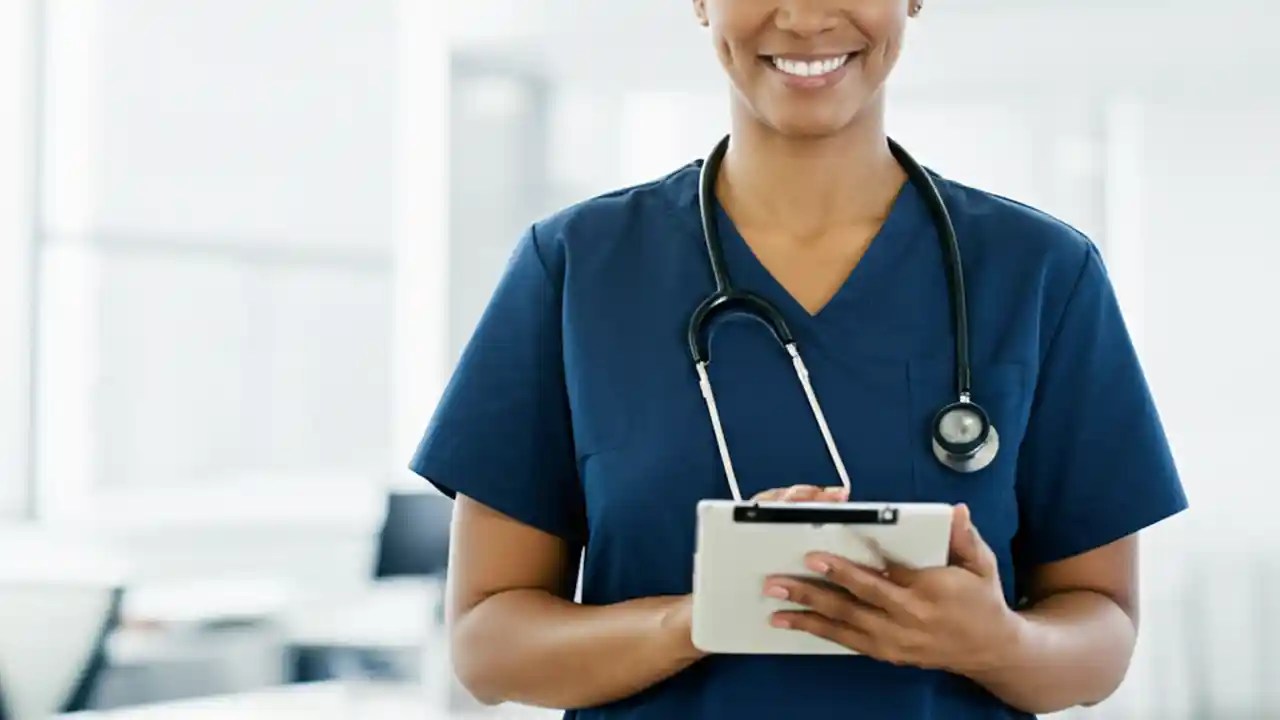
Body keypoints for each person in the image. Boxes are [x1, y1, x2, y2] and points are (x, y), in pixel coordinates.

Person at [409, 1, 1188, 718]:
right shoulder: (576, 267)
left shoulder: (1041, 273)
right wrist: (703, 618)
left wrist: (997, 644)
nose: (807, 16)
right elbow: (487, 646)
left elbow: (1103, 631)